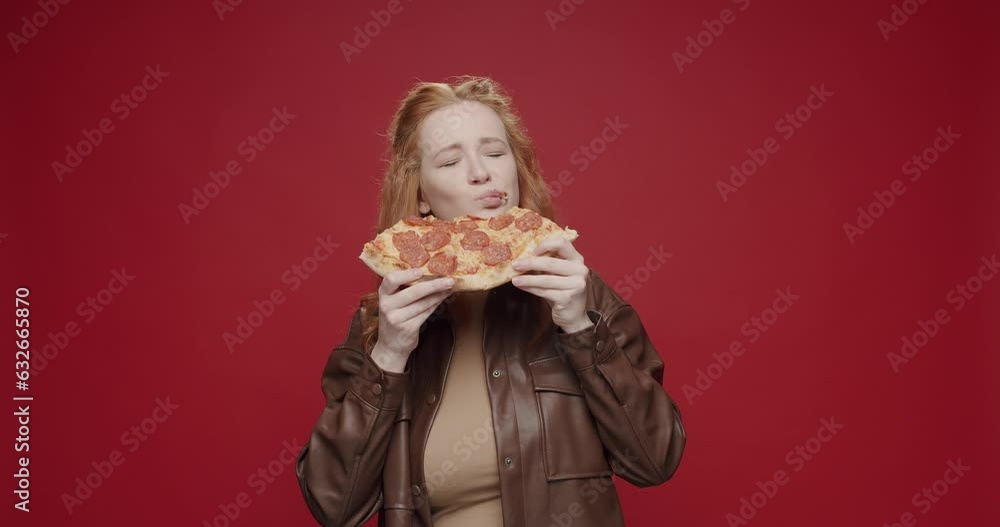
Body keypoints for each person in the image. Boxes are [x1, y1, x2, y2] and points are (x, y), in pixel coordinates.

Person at [295, 75, 686, 527]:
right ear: (421, 197)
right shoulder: (387, 319)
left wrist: (581, 328)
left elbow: (655, 462)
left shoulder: (580, 294)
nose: (482, 172)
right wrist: (388, 354)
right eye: (450, 161)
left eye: (496, 153)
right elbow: (333, 506)